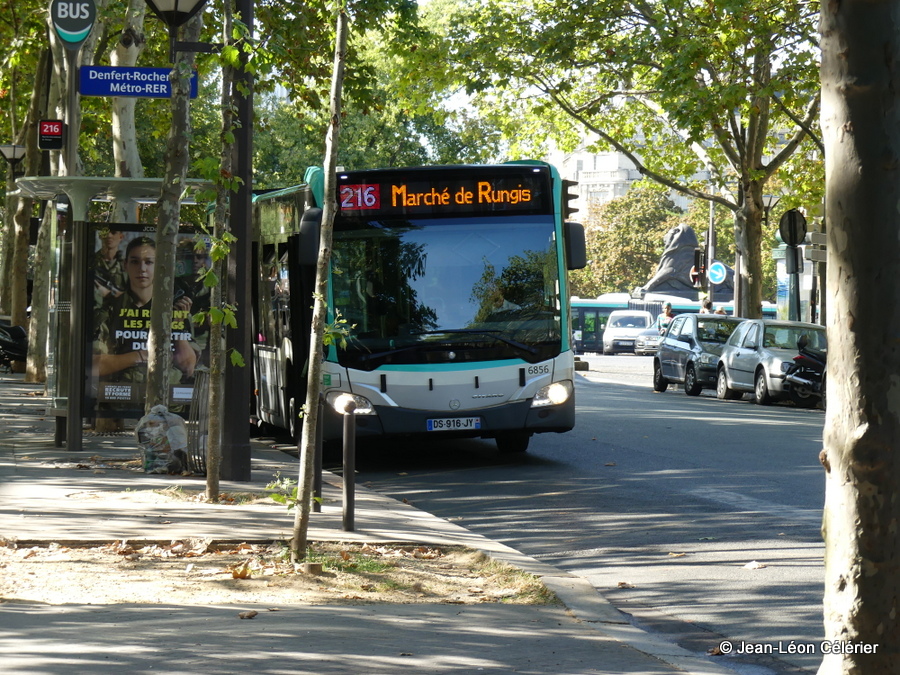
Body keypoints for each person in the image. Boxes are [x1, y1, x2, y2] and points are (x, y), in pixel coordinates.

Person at [93, 236, 197, 386]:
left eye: (149, 262)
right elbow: (95, 365)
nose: (142, 269)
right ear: (125, 265)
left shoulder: (173, 311)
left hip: (166, 402)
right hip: (121, 402)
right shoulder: (110, 310)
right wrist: (142, 356)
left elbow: (188, 367)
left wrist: (176, 327)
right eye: (135, 262)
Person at [92, 228, 126, 308]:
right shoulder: (91, 262)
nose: (109, 236)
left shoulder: (127, 264)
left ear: (121, 237)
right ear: (100, 236)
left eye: (113, 232)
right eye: (105, 232)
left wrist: (110, 294)